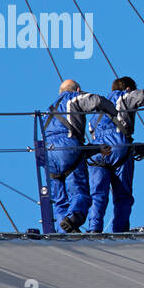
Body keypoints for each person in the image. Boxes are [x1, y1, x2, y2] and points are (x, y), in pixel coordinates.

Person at [85, 76, 144, 233]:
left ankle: (93, 229)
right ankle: (120, 231)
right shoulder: (123, 96)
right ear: (127, 89)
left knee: (98, 194)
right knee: (123, 195)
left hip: (97, 152)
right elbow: (142, 96)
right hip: (119, 148)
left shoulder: (98, 107)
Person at [43, 79, 117, 233]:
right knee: (80, 193)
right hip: (68, 148)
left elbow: (71, 147)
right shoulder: (72, 98)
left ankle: (64, 230)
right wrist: (113, 112)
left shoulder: (47, 113)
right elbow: (96, 100)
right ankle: (74, 218)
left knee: (60, 200)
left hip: (47, 153)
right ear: (77, 90)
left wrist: (97, 149)